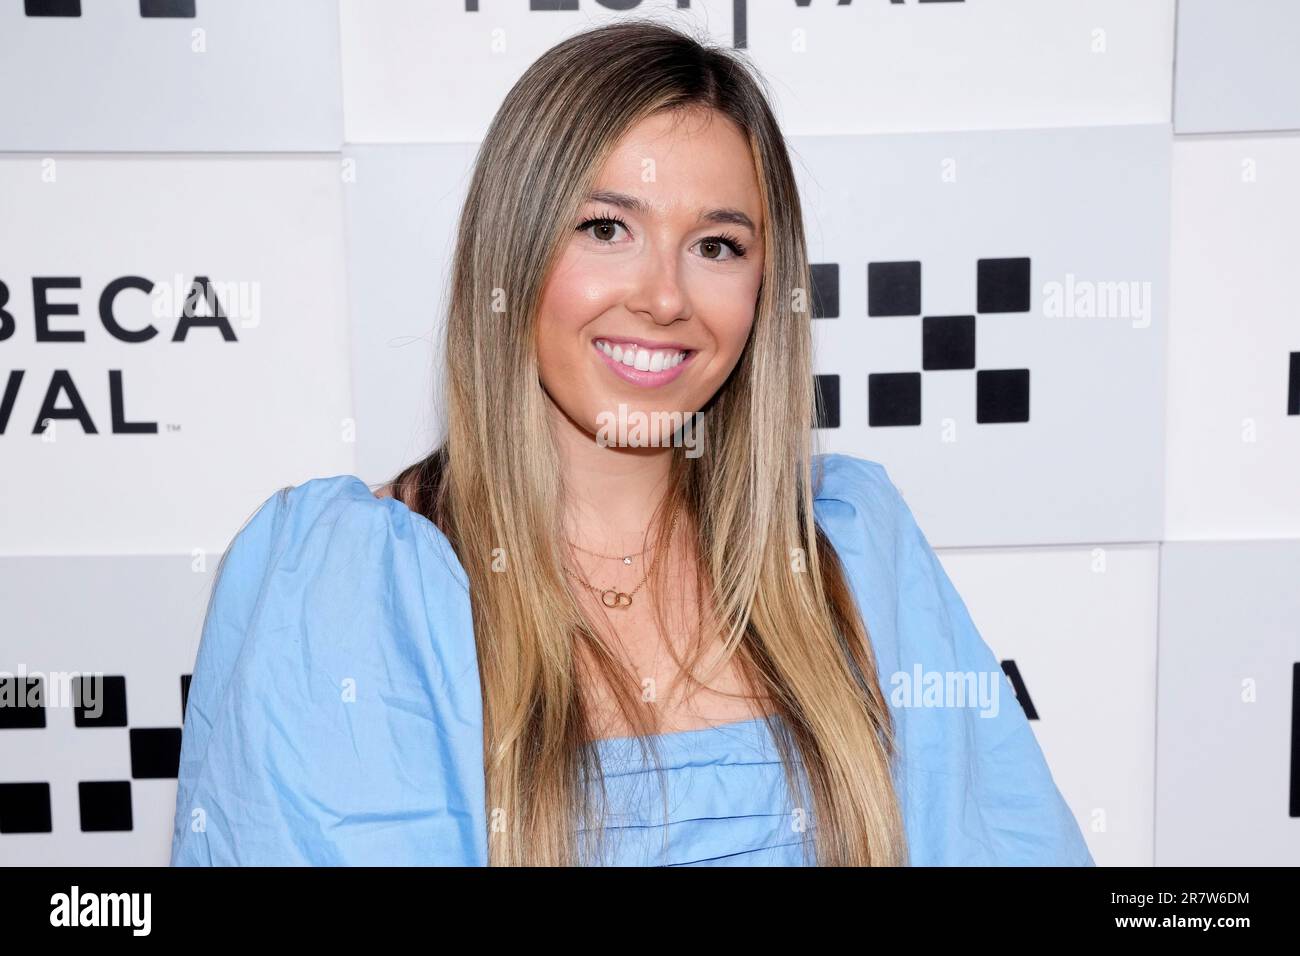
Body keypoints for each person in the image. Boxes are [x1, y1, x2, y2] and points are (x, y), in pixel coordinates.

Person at [170, 19, 1094, 867]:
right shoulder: (348, 590)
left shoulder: (855, 547)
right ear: (513, 251)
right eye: (606, 229)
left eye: (718, 246)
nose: (664, 296)